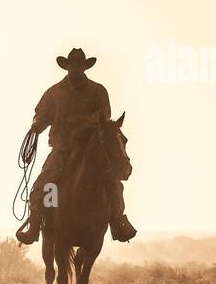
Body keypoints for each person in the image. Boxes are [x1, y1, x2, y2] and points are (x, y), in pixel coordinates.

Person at [15, 47, 137, 244]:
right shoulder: (54, 92)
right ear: (67, 66)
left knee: (114, 185)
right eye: (72, 64)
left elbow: (105, 119)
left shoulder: (98, 91)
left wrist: (82, 120)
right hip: (62, 149)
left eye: (80, 64)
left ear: (85, 67)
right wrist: (37, 125)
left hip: (91, 149)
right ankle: (39, 222)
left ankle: (117, 220)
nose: (76, 68)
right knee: (45, 186)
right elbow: (42, 113)